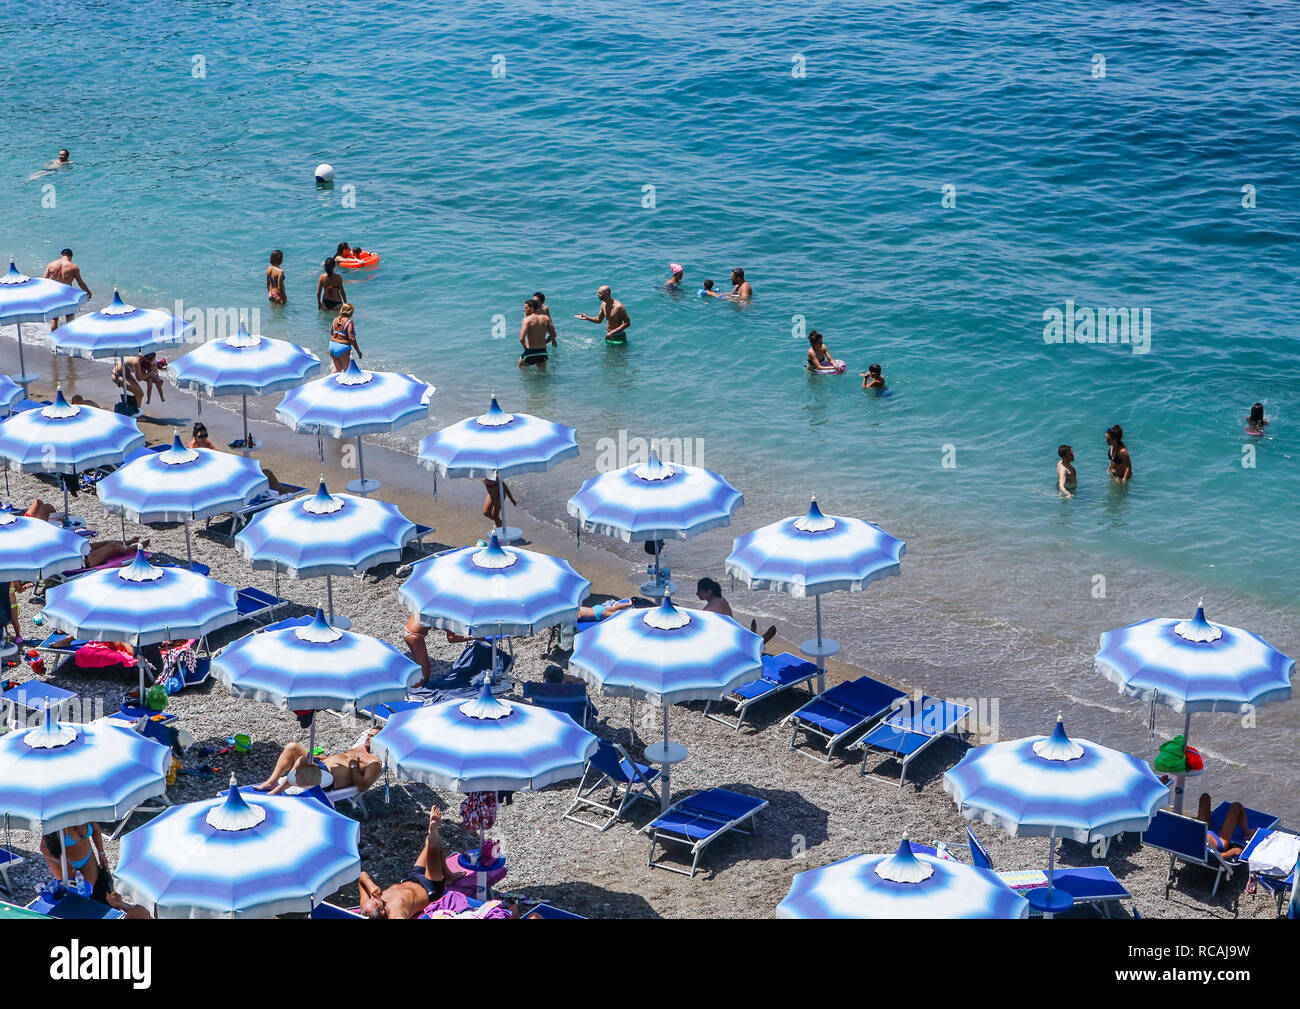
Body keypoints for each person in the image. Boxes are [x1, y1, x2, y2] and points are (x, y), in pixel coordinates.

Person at [358, 807, 464, 918]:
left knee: (431, 843)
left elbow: (361, 876)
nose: (373, 897)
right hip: (429, 887)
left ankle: (447, 874)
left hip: (411, 878)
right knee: (433, 842)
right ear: (383, 912)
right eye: (375, 901)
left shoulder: (366, 908)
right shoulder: (396, 915)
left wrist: (371, 886)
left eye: (372, 898)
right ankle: (433, 827)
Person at [255, 729, 384, 796]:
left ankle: (278, 790)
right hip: (320, 766)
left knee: (301, 761)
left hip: (327, 780)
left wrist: (354, 766)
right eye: (369, 734)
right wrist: (322, 758)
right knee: (292, 747)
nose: (368, 737)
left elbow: (363, 786)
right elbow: (339, 758)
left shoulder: (374, 762)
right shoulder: (357, 748)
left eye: (373, 736)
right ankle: (271, 782)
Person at [189, 423, 290, 491]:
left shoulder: (205, 443)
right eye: (200, 436)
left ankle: (278, 488)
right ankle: (280, 490)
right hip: (215, 478)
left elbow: (219, 455)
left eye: (205, 436)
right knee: (264, 473)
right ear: (195, 436)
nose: (203, 438)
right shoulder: (193, 449)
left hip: (219, 471)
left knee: (260, 471)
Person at [41, 822, 108, 893]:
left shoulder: (82, 812)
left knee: (90, 890)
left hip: (88, 857)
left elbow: (96, 829)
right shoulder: (56, 820)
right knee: (71, 893)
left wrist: (101, 853)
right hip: (64, 862)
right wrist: (62, 861)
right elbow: (43, 848)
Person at [1196, 793, 1256, 859]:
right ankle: (1247, 833)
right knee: (1236, 806)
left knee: (1205, 797)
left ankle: (1210, 819)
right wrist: (1233, 851)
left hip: (1203, 831)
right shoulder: (1201, 851)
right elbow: (1218, 856)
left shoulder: (1186, 837)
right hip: (1219, 841)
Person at [42, 250, 91, 328]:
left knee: (54, 318)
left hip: (54, 292)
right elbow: (80, 283)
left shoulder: (51, 265)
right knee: (69, 317)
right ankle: (69, 337)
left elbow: (44, 281)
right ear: (71, 256)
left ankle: (53, 337)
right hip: (67, 293)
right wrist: (88, 292)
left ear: (61, 255)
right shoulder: (73, 267)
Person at [518, 297, 557, 368]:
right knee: (543, 374)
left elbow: (521, 339)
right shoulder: (546, 318)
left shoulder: (527, 320)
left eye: (526, 308)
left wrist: (525, 347)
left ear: (532, 308)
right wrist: (545, 341)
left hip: (530, 352)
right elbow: (553, 334)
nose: (524, 310)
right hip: (543, 352)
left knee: (521, 367)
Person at [328, 303, 361, 371]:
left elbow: (331, 332)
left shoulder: (335, 319)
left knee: (337, 368)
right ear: (350, 312)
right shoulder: (349, 322)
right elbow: (352, 338)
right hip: (343, 348)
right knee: (347, 370)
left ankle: (330, 380)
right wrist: (358, 351)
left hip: (332, 345)